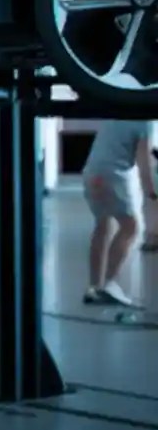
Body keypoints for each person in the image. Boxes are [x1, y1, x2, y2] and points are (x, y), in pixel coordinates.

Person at [81, 118, 156, 307]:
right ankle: (109, 285)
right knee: (131, 227)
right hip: (113, 175)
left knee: (102, 225)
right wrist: (152, 193)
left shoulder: (116, 112)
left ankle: (94, 287)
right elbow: (143, 162)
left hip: (92, 172)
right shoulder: (145, 122)